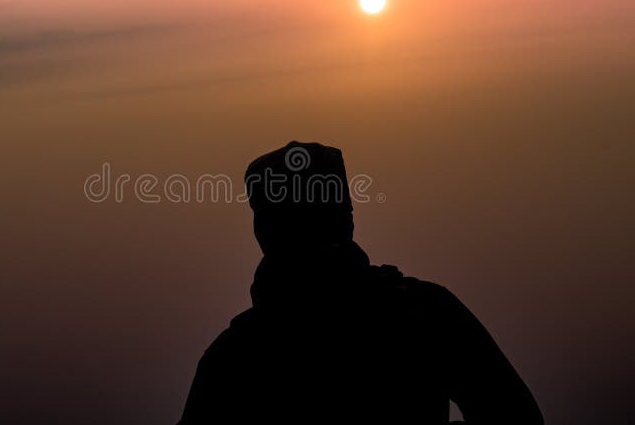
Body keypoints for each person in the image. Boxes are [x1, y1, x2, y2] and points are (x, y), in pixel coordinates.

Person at [178, 141, 543, 424]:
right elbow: (517, 417)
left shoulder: (235, 356)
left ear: (263, 231)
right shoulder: (427, 313)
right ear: (346, 216)